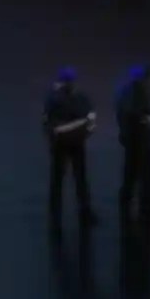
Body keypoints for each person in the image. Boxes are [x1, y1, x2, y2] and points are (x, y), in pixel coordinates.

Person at [43, 67, 97, 227]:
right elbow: (89, 117)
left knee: (65, 179)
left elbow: (48, 123)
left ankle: (60, 213)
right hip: (70, 143)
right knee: (74, 178)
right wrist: (86, 131)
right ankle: (81, 211)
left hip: (68, 143)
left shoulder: (55, 98)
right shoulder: (67, 98)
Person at [115, 64, 150, 226]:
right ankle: (145, 211)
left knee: (130, 174)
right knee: (144, 175)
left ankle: (126, 209)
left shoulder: (125, 93)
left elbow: (124, 115)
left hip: (131, 139)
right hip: (139, 140)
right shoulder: (138, 94)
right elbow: (139, 114)